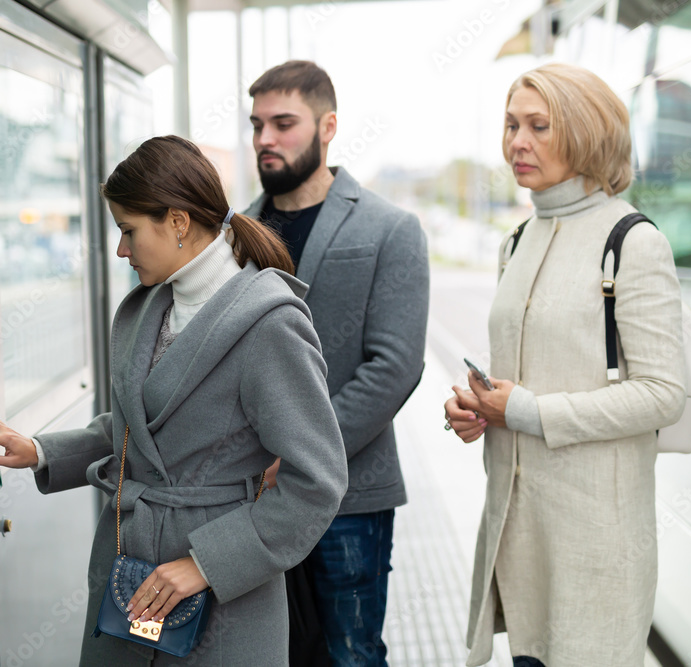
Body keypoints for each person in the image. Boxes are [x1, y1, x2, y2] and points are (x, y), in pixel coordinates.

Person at [0, 135, 349, 666]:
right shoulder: (149, 306)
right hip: (130, 578)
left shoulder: (270, 324)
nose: (121, 250)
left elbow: (318, 482)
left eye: (128, 230)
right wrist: (39, 450)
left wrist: (206, 565)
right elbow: (134, 430)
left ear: (178, 222)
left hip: (221, 602)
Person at [444, 63, 685, 667]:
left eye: (538, 126)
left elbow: (662, 393)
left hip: (593, 544)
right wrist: (477, 410)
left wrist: (521, 410)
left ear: (584, 133)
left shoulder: (631, 241)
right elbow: (519, 382)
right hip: (518, 537)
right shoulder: (517, 241)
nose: (516, 142)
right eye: (510, 125)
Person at [244, 60, 430, 666]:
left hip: (348, 499)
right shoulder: (234, 234)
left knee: (350, 655)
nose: (265, 139)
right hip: (248, 497)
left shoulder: (389, 228)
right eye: (257, 125)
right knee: (264, 652)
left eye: (283, 123)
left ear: (327, 127)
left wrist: (301, 453)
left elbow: (394, 367)